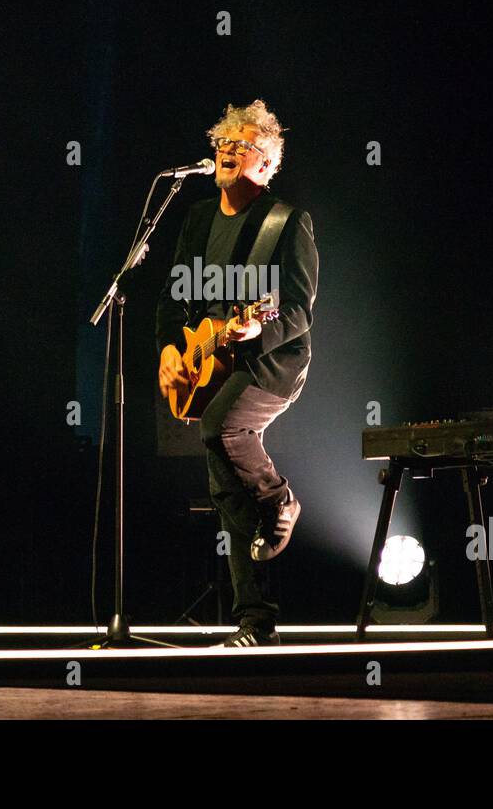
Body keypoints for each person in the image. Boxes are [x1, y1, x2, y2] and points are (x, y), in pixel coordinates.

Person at [155, 99, 318, 647]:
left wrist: (256, 330)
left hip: (272, 364)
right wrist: (168, 352)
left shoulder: (286, 222)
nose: (228, 149)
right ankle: (256, 621)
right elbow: (173, 300)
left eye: (244, 145)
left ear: (267, 164)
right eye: (224, 141)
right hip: (213, 364)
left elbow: (295, 310)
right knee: (226, 492)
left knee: (220, 429)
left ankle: (278, 498)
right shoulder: (197, 219)